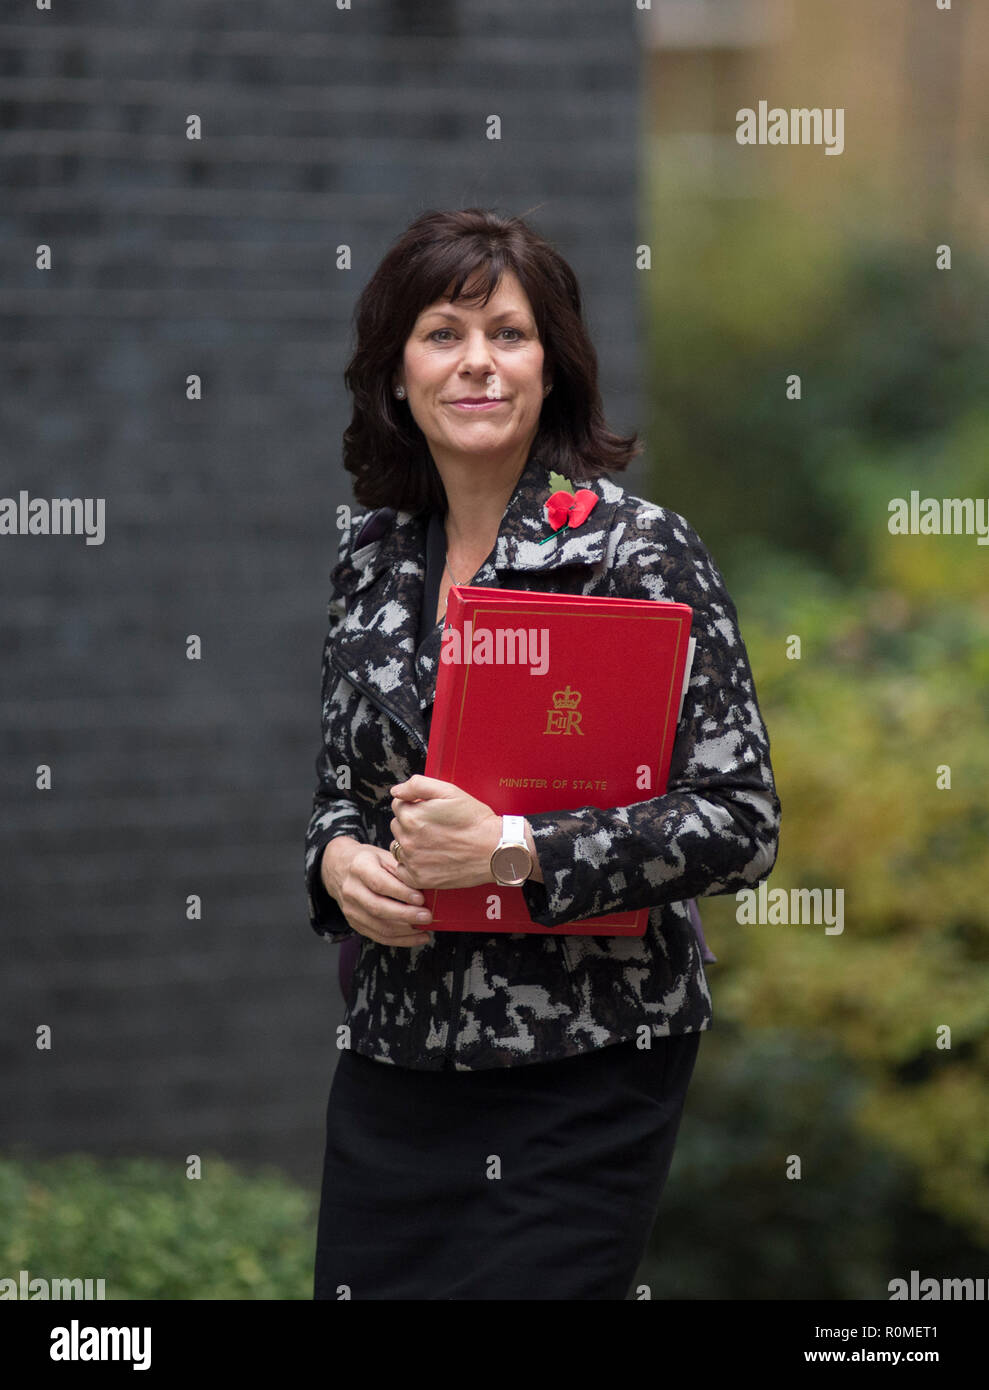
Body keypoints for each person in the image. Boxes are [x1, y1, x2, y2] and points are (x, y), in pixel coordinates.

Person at [304, 207, 781, 1300]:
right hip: (396, 1051)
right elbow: (341, 790)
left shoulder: (635, 548)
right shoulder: (369, 553)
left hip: (586, 1065)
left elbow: (737, 819)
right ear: (393, 374)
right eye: (441, 333)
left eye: (508, 334)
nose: (476, 361)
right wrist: (337, 865)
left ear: (552, 369)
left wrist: (514, 848)